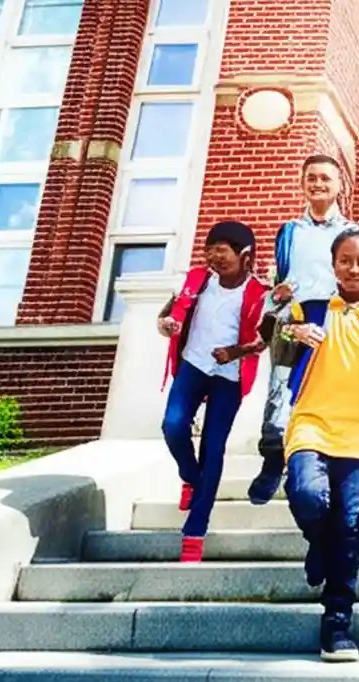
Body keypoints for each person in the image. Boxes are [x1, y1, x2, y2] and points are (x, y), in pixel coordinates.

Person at [280, 227, 359, 662]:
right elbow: (276, 346)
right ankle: (319, 543)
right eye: (346, 260)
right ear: (334, 264)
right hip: (310, 422)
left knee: (350, 526)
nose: (354, 268)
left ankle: (336, 624)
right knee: (308, 496)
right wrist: (290, 335)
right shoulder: (309, 308)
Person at [248, 154, 359, 506]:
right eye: (311, 177)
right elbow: (279, 281)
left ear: (340, 184)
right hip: (292, 317)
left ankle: (331, 467)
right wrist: (277, 298)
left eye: (325, 178)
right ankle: (272, 459)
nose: (318, 183)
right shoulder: (289, 232)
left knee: (330, 392)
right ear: (302, 182)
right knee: (281, 387)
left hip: (333, 316)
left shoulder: (352, 233)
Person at [158, 221, 269, 562]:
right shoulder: (196, 280)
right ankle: (190, 476)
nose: (214, 256)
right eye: (210, 249)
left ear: (245, 256)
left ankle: (195, 529)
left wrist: (234, 352)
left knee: (214, 447)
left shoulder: (258, 293)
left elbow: (264, 341)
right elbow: (170, 312)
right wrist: (166, 323)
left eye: (222, 250)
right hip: (193, 365)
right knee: (172, 425)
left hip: (228, 376)